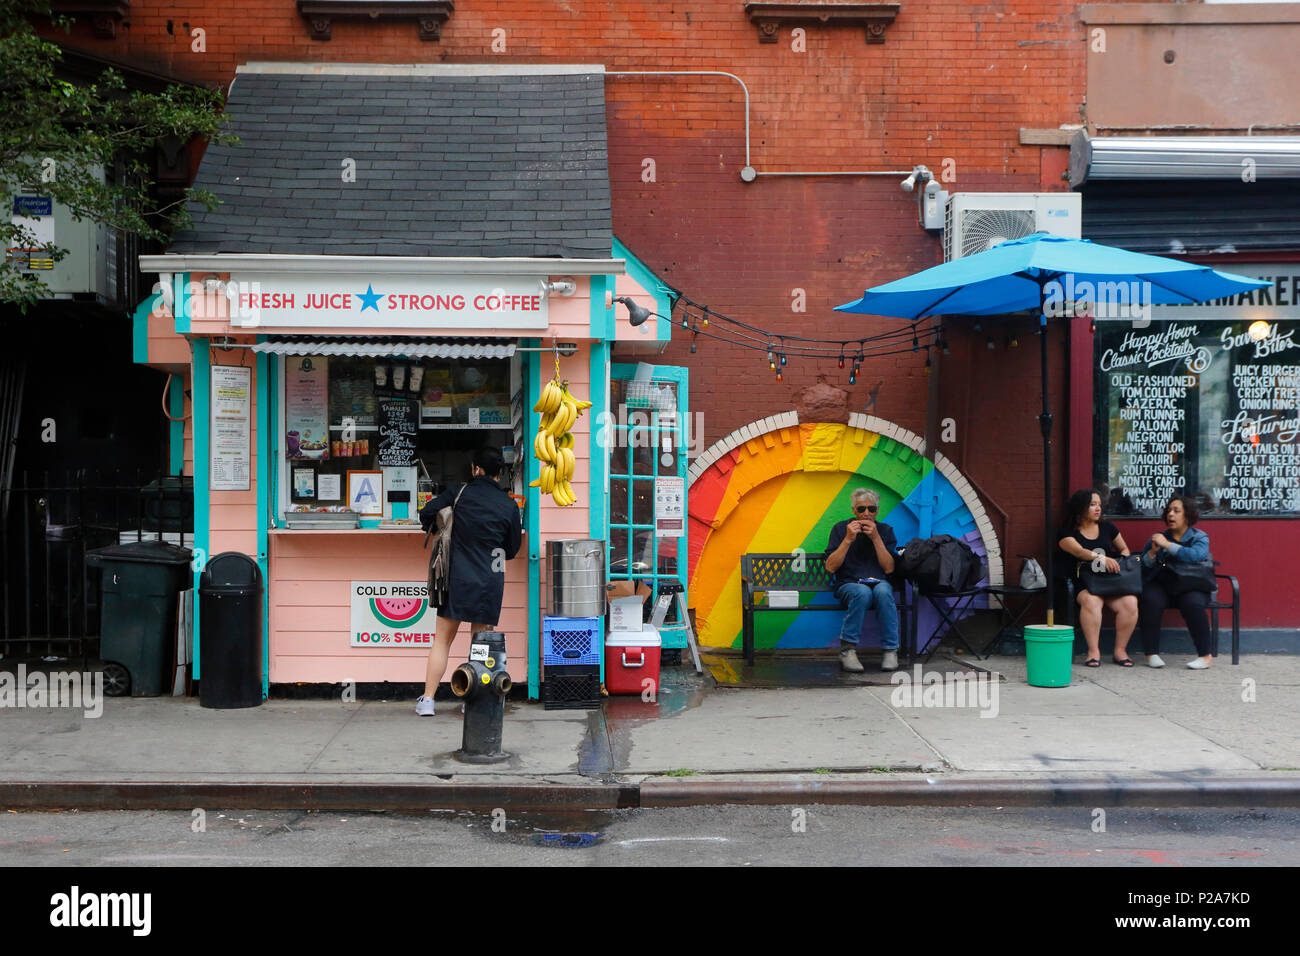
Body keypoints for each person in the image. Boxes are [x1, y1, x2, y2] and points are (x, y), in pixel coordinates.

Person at [414, 447, 522, 715]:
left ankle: (428, 701)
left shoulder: (459, 493)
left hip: (457, 577)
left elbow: (427, 512)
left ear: (477, 469)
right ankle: (471, 702)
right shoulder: (509, 504)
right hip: (489, 580)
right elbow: (511, 549)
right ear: (499, 473)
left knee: (442, 640)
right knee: (480, 643)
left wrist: (442, 526)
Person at [1057, 488, 1138, 667]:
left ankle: (1120, 651)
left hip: (1110, 581)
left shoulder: (1108, 527)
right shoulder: (1067, 531)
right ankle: (1093, 651)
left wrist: (1120, 562)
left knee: (1130, 602)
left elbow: (1125, 549)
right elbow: (1078, 551)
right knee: (1092, 601)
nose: (1098, 509)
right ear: (1080, 507)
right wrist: (1101, 557)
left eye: (1099, 505)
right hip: (1084, 582)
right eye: (1093, 505)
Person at [825, 488, 900, 672]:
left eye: (871, 509)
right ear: (854, 511)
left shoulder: (885, 530)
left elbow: (889, 568)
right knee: (862, 592)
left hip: (878, 582)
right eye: (861, 509)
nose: (866, 513)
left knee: (883, 590)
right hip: (849, 584)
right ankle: (848, 650)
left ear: (877, 510)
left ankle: (890, 650)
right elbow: (830, 567)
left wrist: (876, 538)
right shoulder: (840, 529)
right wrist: (848, 539)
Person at [1139, 495, 1214, 669]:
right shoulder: (1160, 537)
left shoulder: (1199, 537)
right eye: (1168, 511)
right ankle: (1151, 654)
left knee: (1193, 603)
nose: (1171, 514)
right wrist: (1152, 553)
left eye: (1176, 511)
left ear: (1187, 515)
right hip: (1163, 584)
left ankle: (1205, 656)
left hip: (1191, 584)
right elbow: (1143, 564)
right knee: (1150, 599)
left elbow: (1195, 556)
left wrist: (1167, 545)